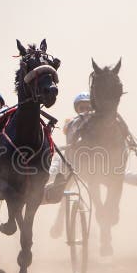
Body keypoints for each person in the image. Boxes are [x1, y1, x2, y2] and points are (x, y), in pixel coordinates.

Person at [45, 92, 92, 236]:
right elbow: (68, 132)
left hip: (92, 163)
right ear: (77, 109)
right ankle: (59, 223)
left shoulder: (97, 122)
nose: (85, 110)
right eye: (81, 107)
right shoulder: (70, 121)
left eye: (87, 107)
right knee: (64, 192)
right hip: (71, 161)